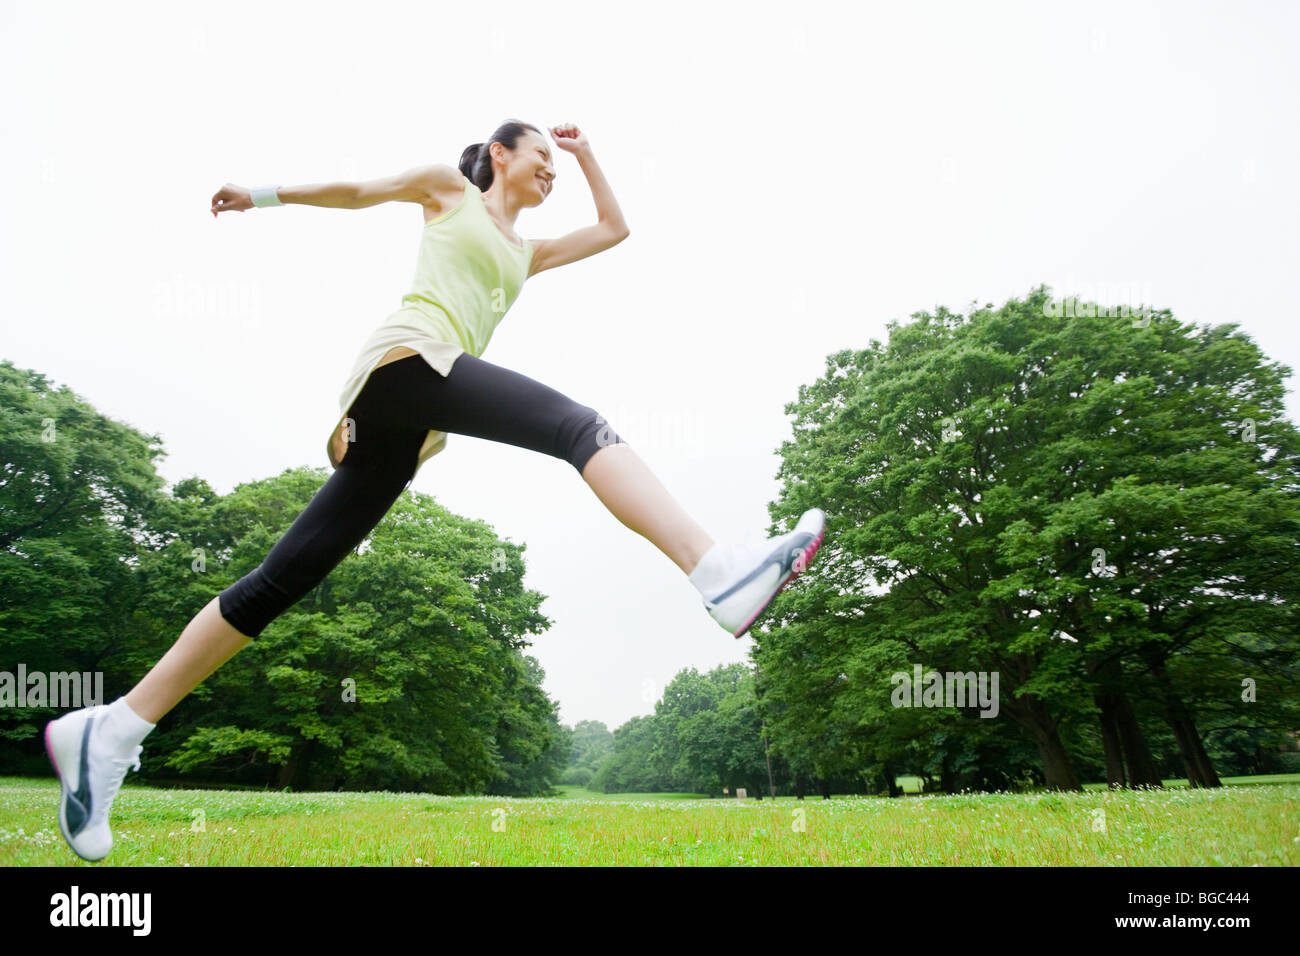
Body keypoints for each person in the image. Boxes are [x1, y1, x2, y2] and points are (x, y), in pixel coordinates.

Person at [43, 119, 826, 861]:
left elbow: (615, 229)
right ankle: (714, 570)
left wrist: (589, 158)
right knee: (577, 427)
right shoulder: (448, 191)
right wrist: (261, 194)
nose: (551, 173)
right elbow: (356, 189)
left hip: (410, 421)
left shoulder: (529, 251)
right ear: (500, 152)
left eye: (558, 168)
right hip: (407, 360)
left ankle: (112, 728)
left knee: (284, 578)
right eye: (541, 159)